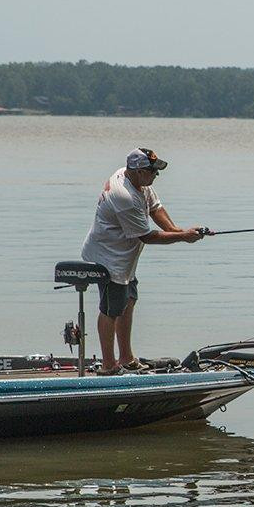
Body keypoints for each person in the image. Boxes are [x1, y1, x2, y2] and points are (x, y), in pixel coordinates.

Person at [81, 148, 205, 375]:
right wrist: (183, 238)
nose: (156, 176)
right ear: (138, 171)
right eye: (152, 171)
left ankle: (126, 357)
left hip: (125, 257)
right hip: (109, 257)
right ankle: (109, 365)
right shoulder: (124, 196)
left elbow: (155, 207)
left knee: (129, 300)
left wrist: (177, 230)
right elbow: (147, 236)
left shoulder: (138, 182)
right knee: (111, 309)